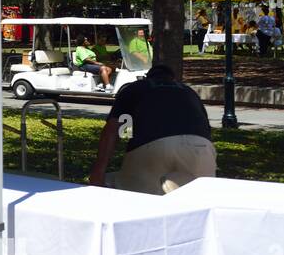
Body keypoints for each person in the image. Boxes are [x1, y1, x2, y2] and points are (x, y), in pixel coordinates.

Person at [89, 64, 215, 194]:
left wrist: (99, 170)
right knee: (194, 197)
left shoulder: (134, 88)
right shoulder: (189, 91)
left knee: (124, 189)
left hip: (154, 145)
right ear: (173, 78)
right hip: (202, 147)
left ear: (147, 77)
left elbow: (114, 129)